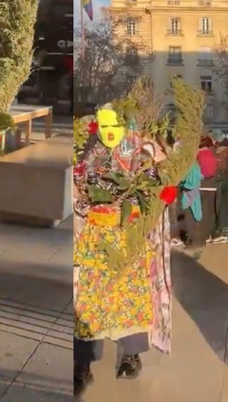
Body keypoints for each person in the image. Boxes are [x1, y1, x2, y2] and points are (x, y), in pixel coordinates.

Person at [73, 107, 174, 395]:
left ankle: (131, 354)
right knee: (91, 297)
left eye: (113, 126)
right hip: (96, 233)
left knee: (129, 295)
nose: (108, 133)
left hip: (128, 235)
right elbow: (80, 187)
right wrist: (86, 204)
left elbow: (155, 188)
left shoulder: (141, 151)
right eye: (103, 127)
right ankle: (83, 362)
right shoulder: (88, 150)